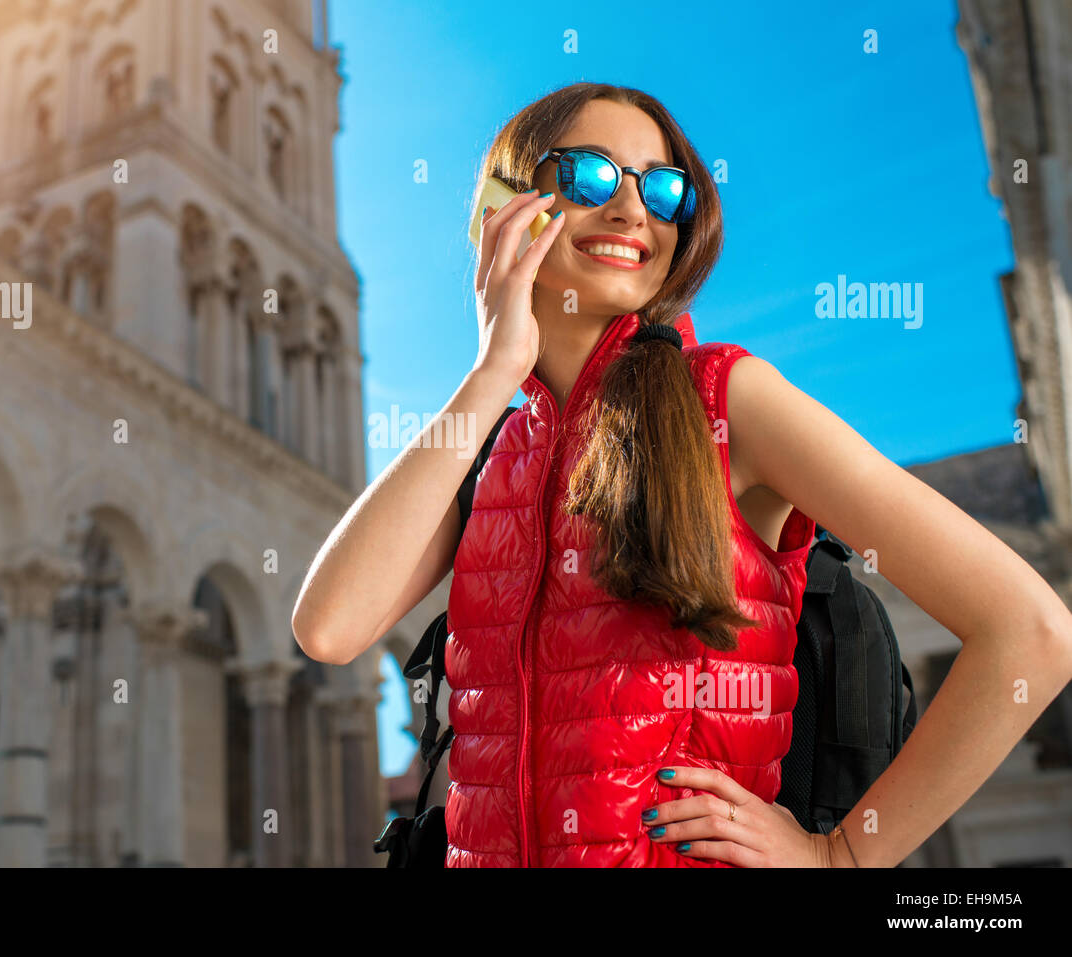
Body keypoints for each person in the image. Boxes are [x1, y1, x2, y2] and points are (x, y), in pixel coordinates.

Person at [291, 82, 1072, 867]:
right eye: (591, 175)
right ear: (506, 206)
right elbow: (329, 627)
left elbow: (1030, 632)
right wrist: (493, 369)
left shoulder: (730, 399)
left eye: (664, 190)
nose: (634, 210)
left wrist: (840, 856)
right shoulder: (487, 453)